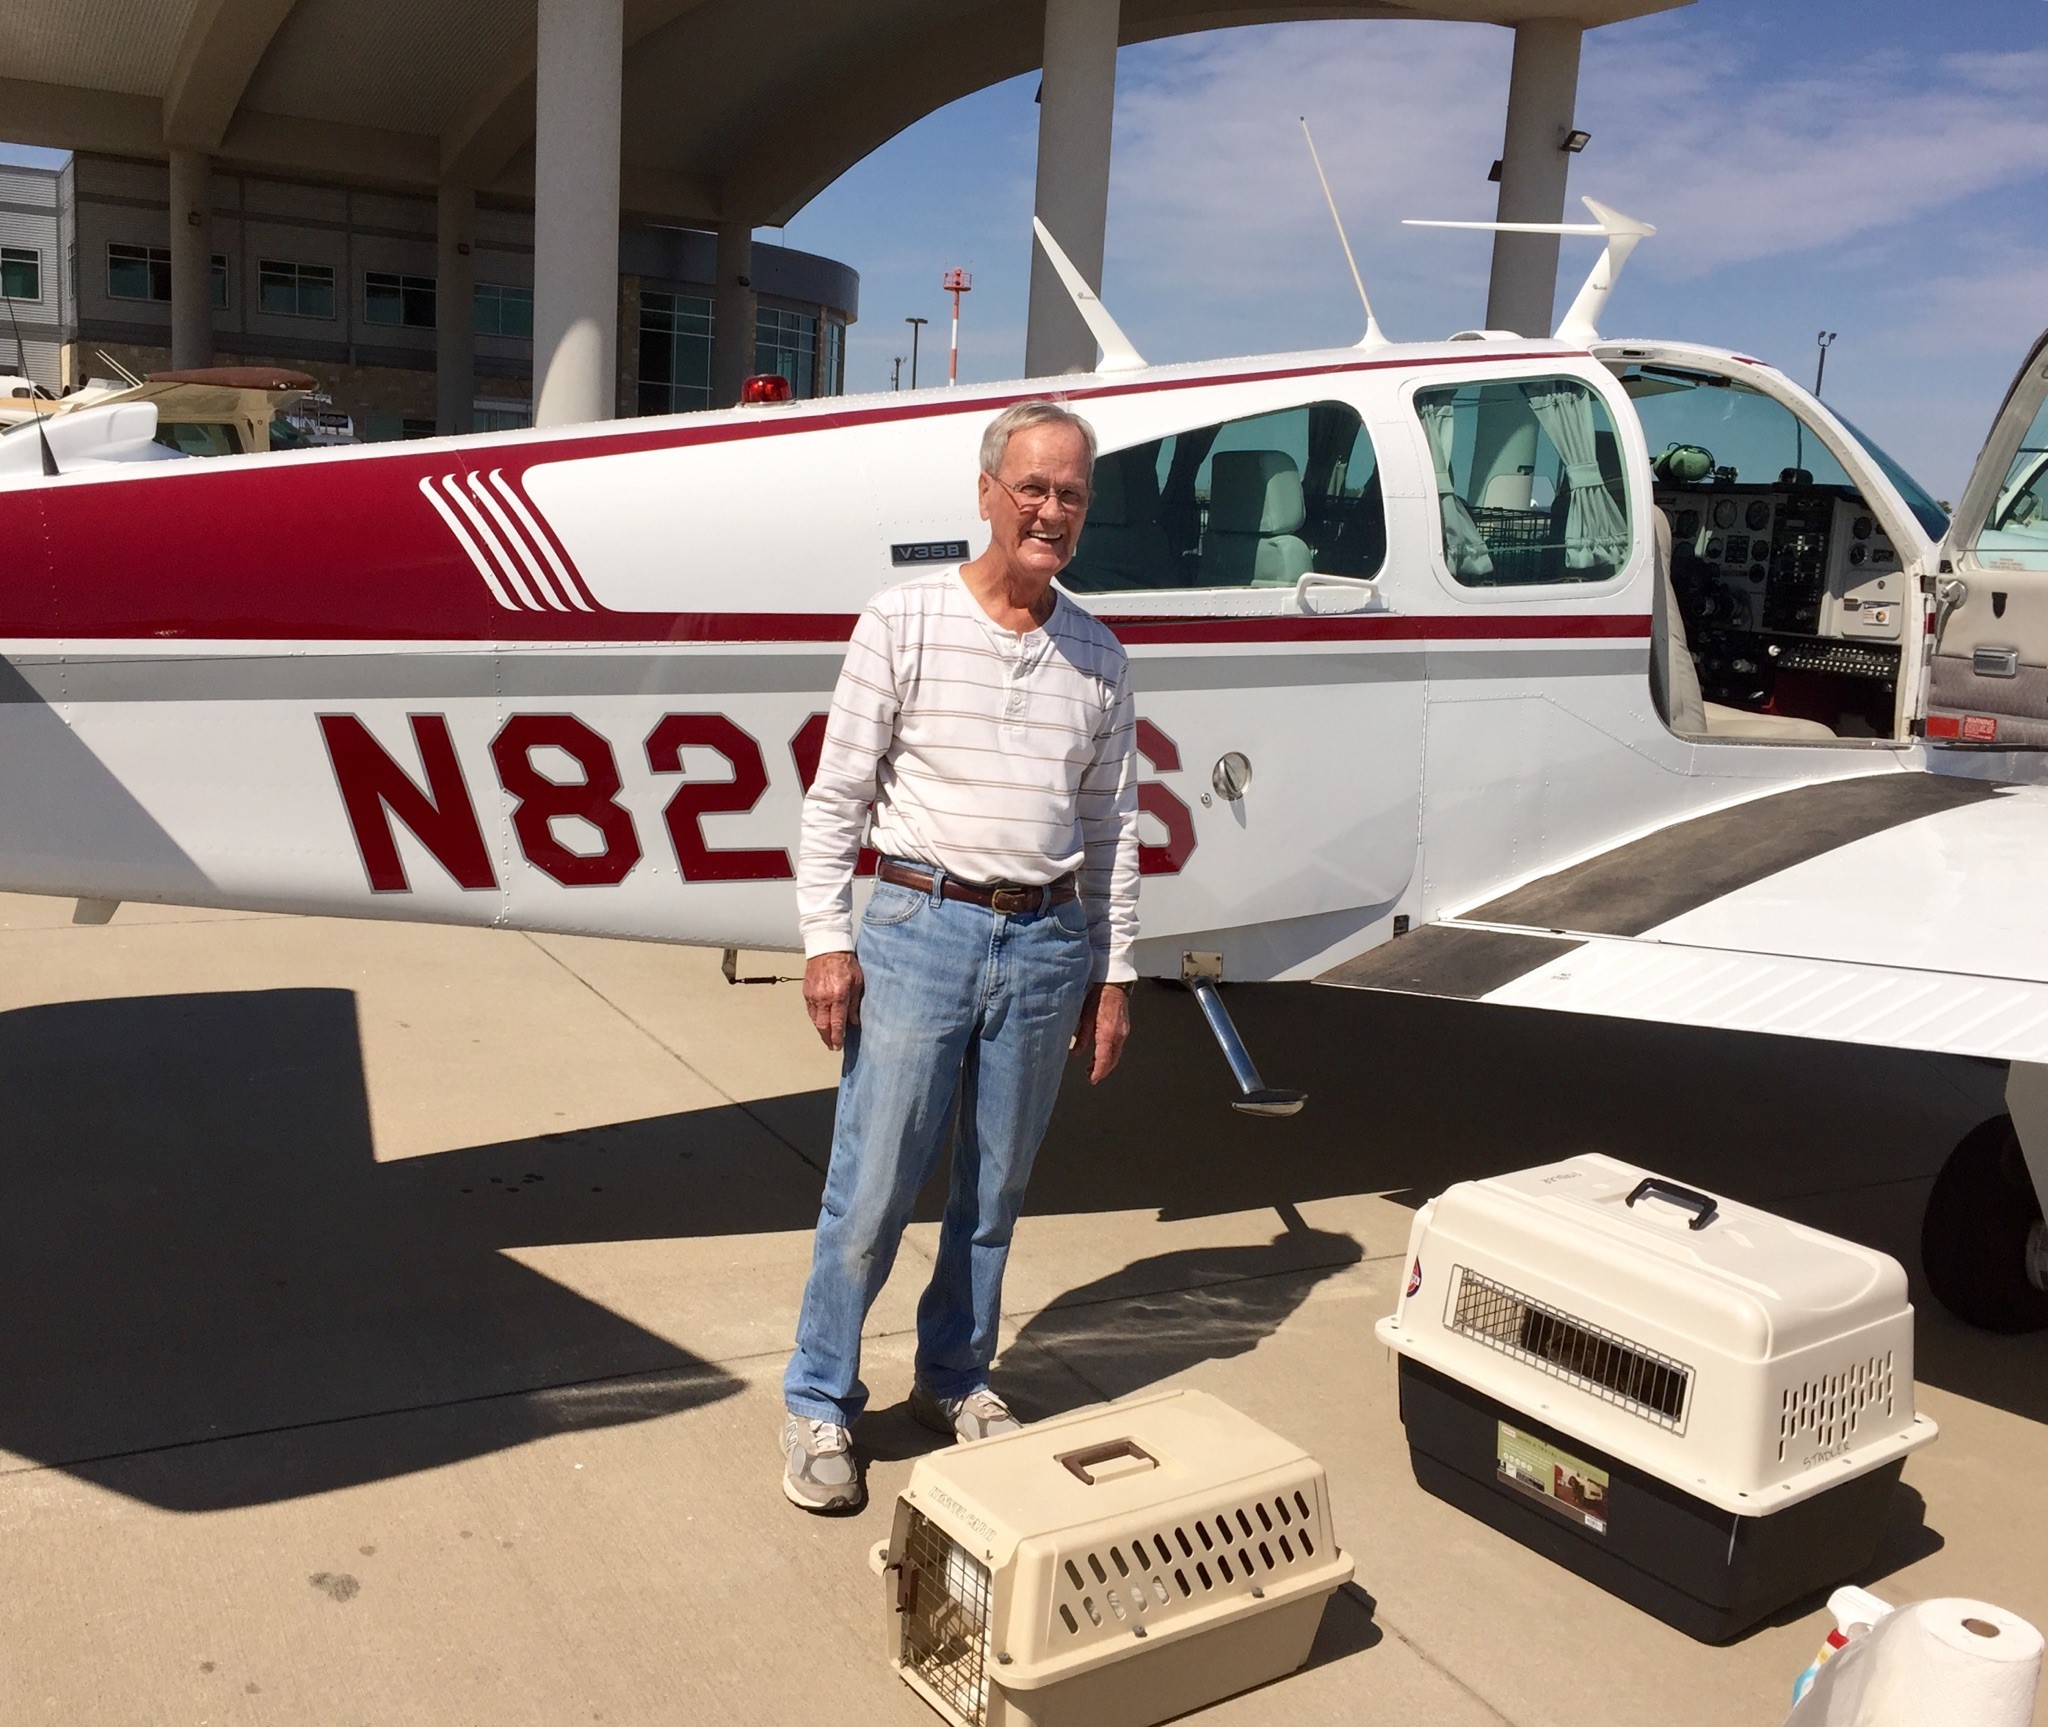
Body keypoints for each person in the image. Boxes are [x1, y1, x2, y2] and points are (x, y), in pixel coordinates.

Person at [779, 398, 1140, 1513]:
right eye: (1031, 486)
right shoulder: (904, 619)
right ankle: (819, 1399)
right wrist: (826, 939)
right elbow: (836, 795)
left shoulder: (1099, 656)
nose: (1050, 510)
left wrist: (1112, 971)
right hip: (918, 927)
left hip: (1046, 942)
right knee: (873, 1184)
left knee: (993, 1189)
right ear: (986, 493)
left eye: (1070, 493)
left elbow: (1110, 829)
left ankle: (953, 1375)